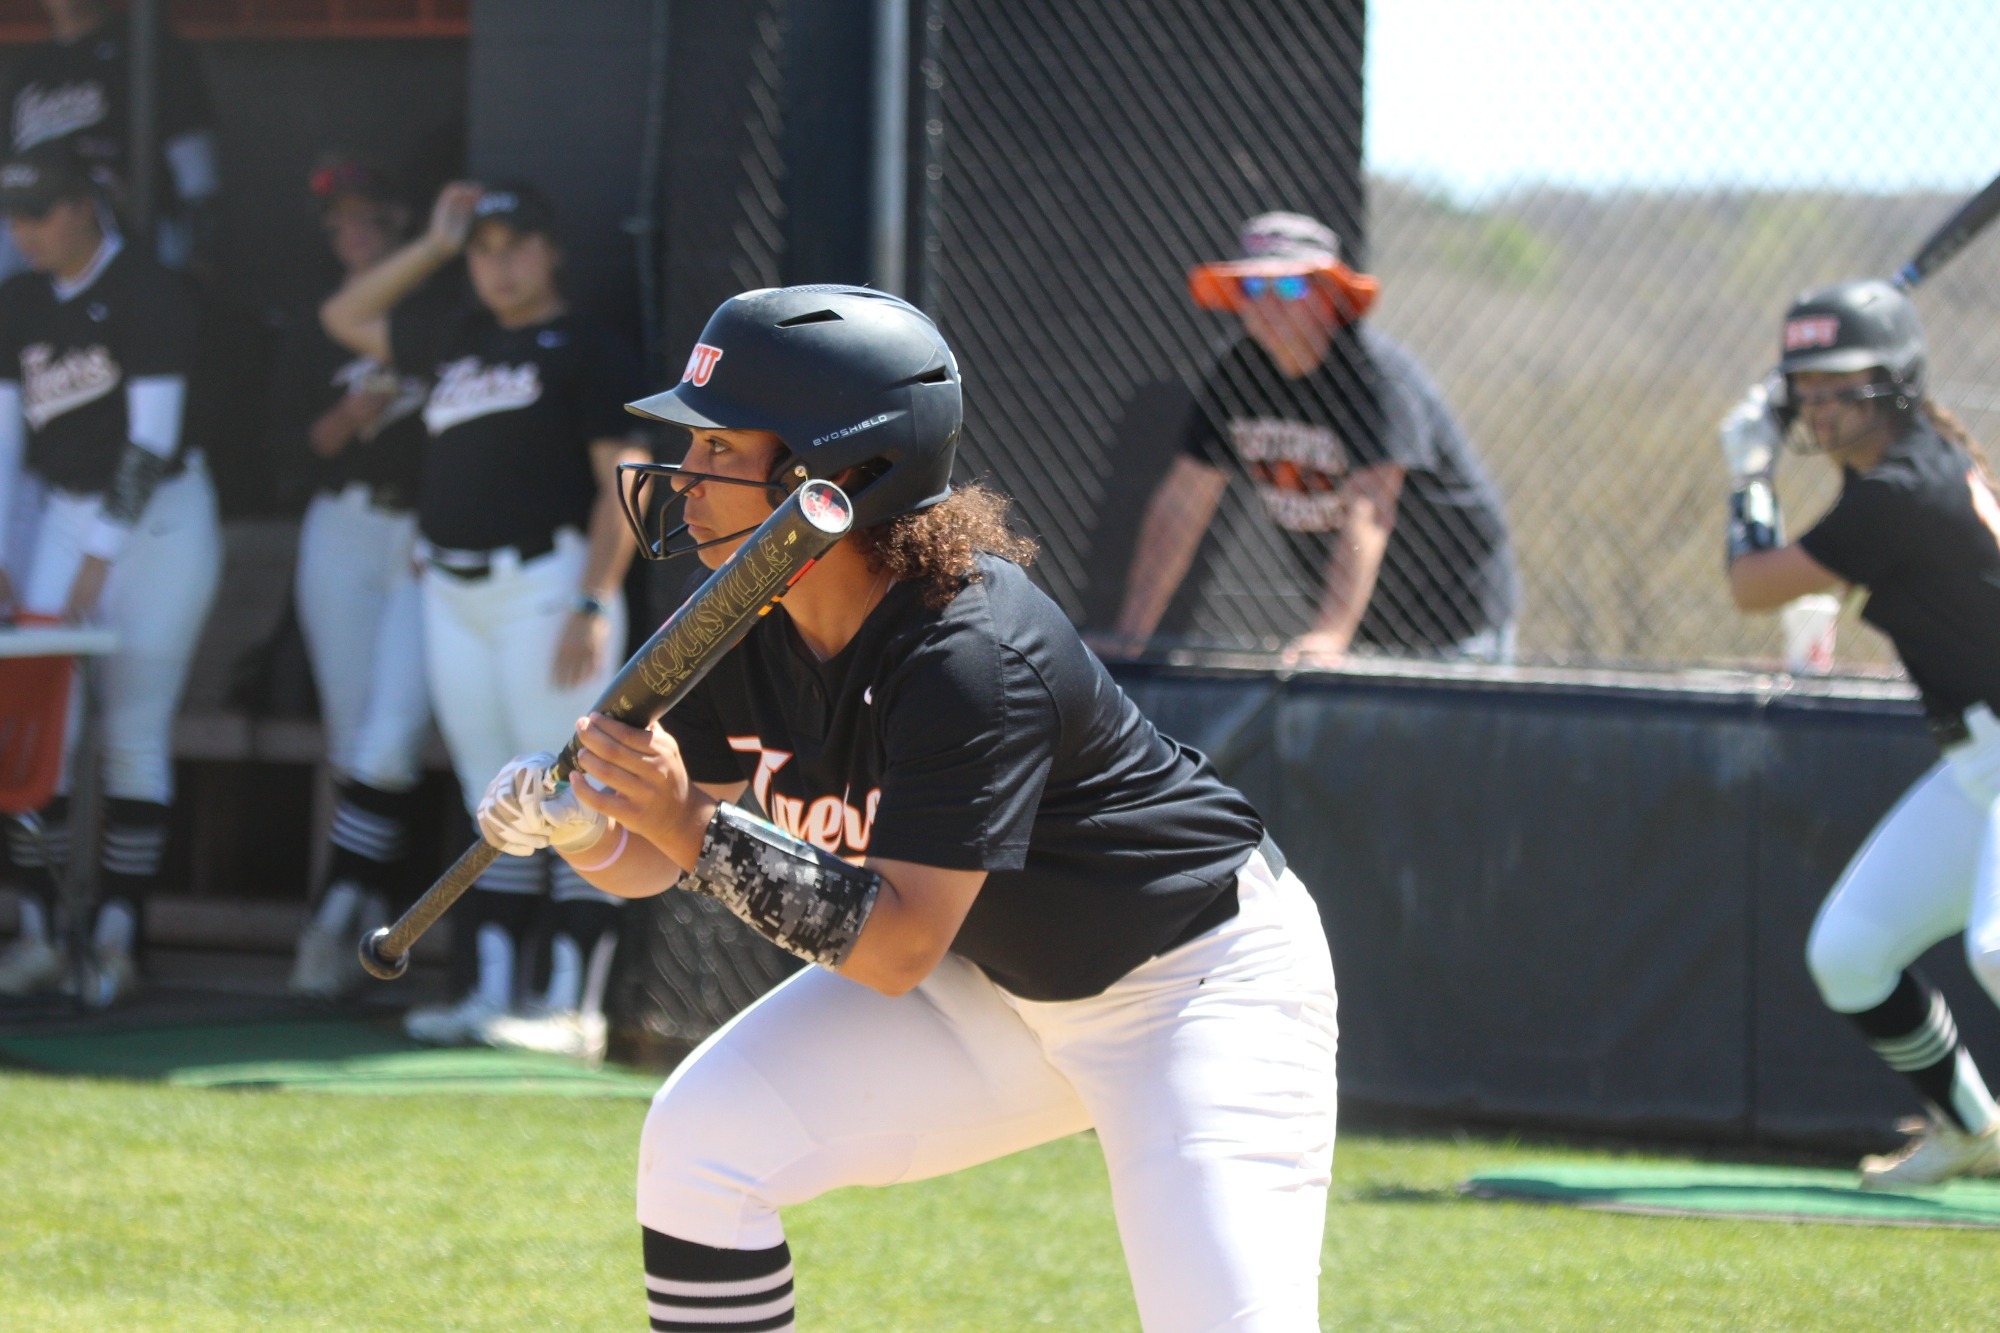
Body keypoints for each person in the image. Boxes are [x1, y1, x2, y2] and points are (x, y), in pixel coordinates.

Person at [474, 285, 1340, 1330]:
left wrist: (683, 828)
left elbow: (891, 948)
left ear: (828, 477)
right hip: (992, 984)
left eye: (716, 451)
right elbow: (648, 857)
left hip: (1196, 989)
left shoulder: (972, 654)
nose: (684, 480)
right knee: (702, 1143)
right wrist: (581, 824)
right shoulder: (742, 613)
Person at [321, 180, 649, 1060]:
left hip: (547, 587)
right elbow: (347, 315)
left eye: (515, 244)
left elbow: (625, 481)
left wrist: (593, 596)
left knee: (569, 791)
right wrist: (433, 242)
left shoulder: (588, 346)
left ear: (552, 251)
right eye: (483, 248)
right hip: (452, 593)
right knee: (495, 796)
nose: (498, 263)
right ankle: (493, 994)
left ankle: (573, 1007)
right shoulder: (455, 339)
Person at [1723, 278, 2000, 1186]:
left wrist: (1750, 475)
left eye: (1846, 384)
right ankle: (1970, 1127)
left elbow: (1754, 582)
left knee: (1997, 947)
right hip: (1977, 758)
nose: (1822, 406)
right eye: (1809, 385)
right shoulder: (1903, 469)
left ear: (1899, 382)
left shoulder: (1901, 490)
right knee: (1850, 953)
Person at [1098, 211, 1516, 666]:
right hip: (1368, 630)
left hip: (1454, 625)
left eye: (1291, 287)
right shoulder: (1237, 374)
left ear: (1328, 298)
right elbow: (1183, 504)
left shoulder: (1375, 377)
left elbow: (1370, 511)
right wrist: (1131, 635)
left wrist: (1331, 634)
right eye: (1254, 288)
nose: (1269, 304)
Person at [0, 144, 218, 1005]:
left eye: (39, 212)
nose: (24, 231)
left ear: (86, 208)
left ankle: (120, 935)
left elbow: (152, 437)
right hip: (57, 512)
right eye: (14, 214)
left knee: (133, 731)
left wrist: (100, 556)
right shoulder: (17, 299)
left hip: (156, 519)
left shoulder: (149, 291)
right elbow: (7, 439)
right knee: (37, 735)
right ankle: (41, 933)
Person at [270, 155, 436, 1000]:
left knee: (389, 734)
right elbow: (293, 449)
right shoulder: (317, 325)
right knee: (354, 735)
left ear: (401, 220)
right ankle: (365, 911)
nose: (352, 235)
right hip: (343, 522)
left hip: (421, 528)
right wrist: (354, 411)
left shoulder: (436, 314)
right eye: (339, 224)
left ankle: (347, 922)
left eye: (366, 219)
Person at [3, 0, 220, 273]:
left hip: (118, 215)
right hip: (36, 205)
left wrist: (201, 245)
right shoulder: (30, 68)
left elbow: (197, 175)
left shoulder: (148, 48)